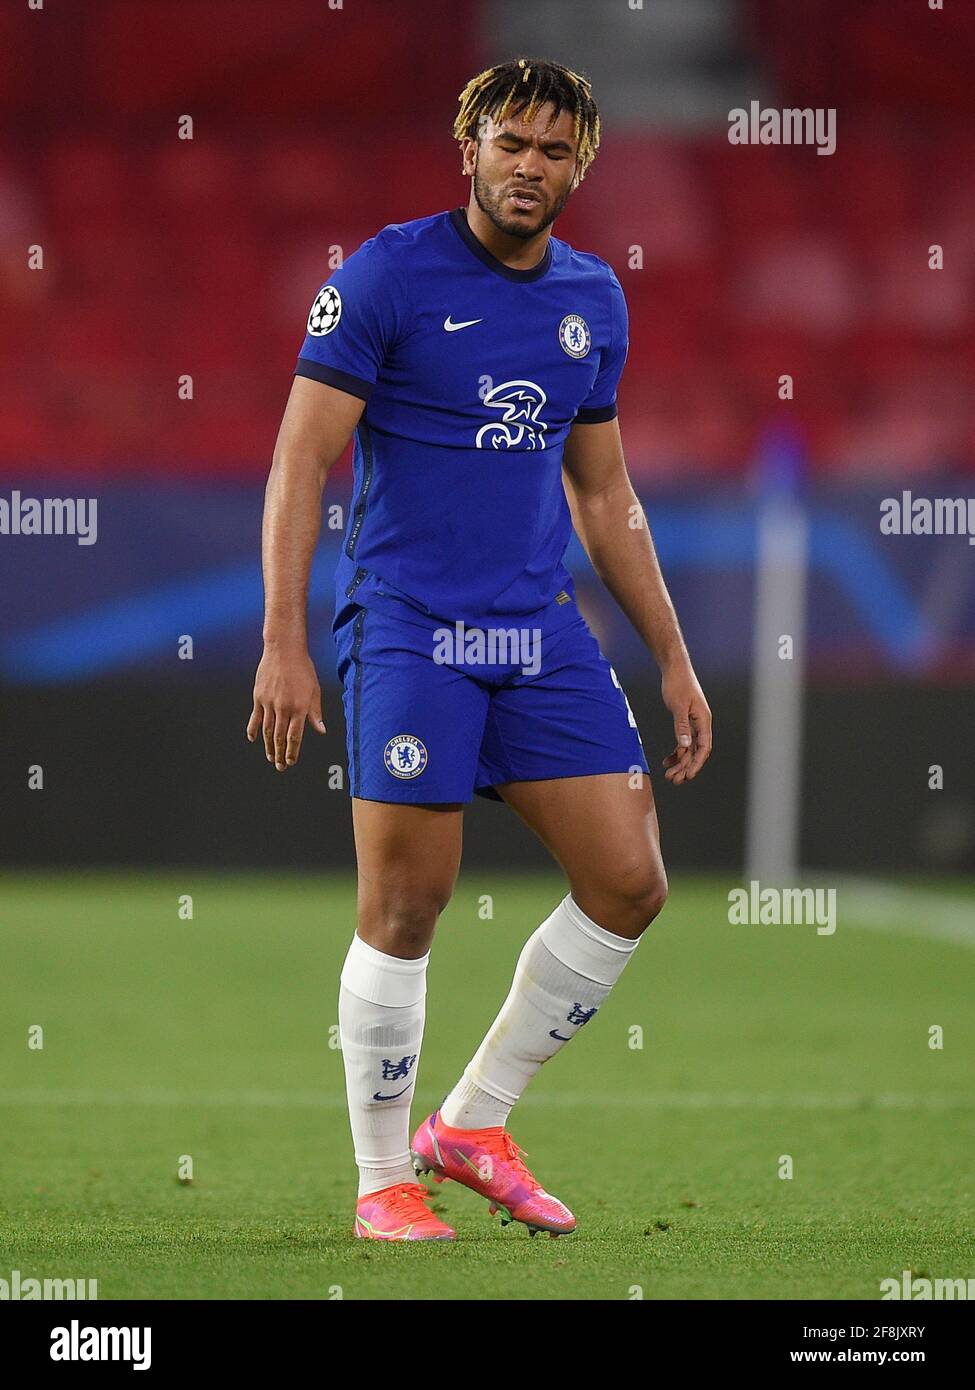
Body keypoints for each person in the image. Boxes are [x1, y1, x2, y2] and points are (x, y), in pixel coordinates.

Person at [248, 57, 712, 1241]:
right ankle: (380, 1181)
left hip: (537, 630)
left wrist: (672, 654)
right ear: (470, 146)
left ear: (580, 166)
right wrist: (284, 641)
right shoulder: (387, 277)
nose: (530, 166)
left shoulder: (594, 299)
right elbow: (302, 460)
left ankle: (472, 1123)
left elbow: (605, 496)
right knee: (407, 904)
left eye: (555, 152)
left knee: (629, 883)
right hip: (411, 624)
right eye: (511, 142)